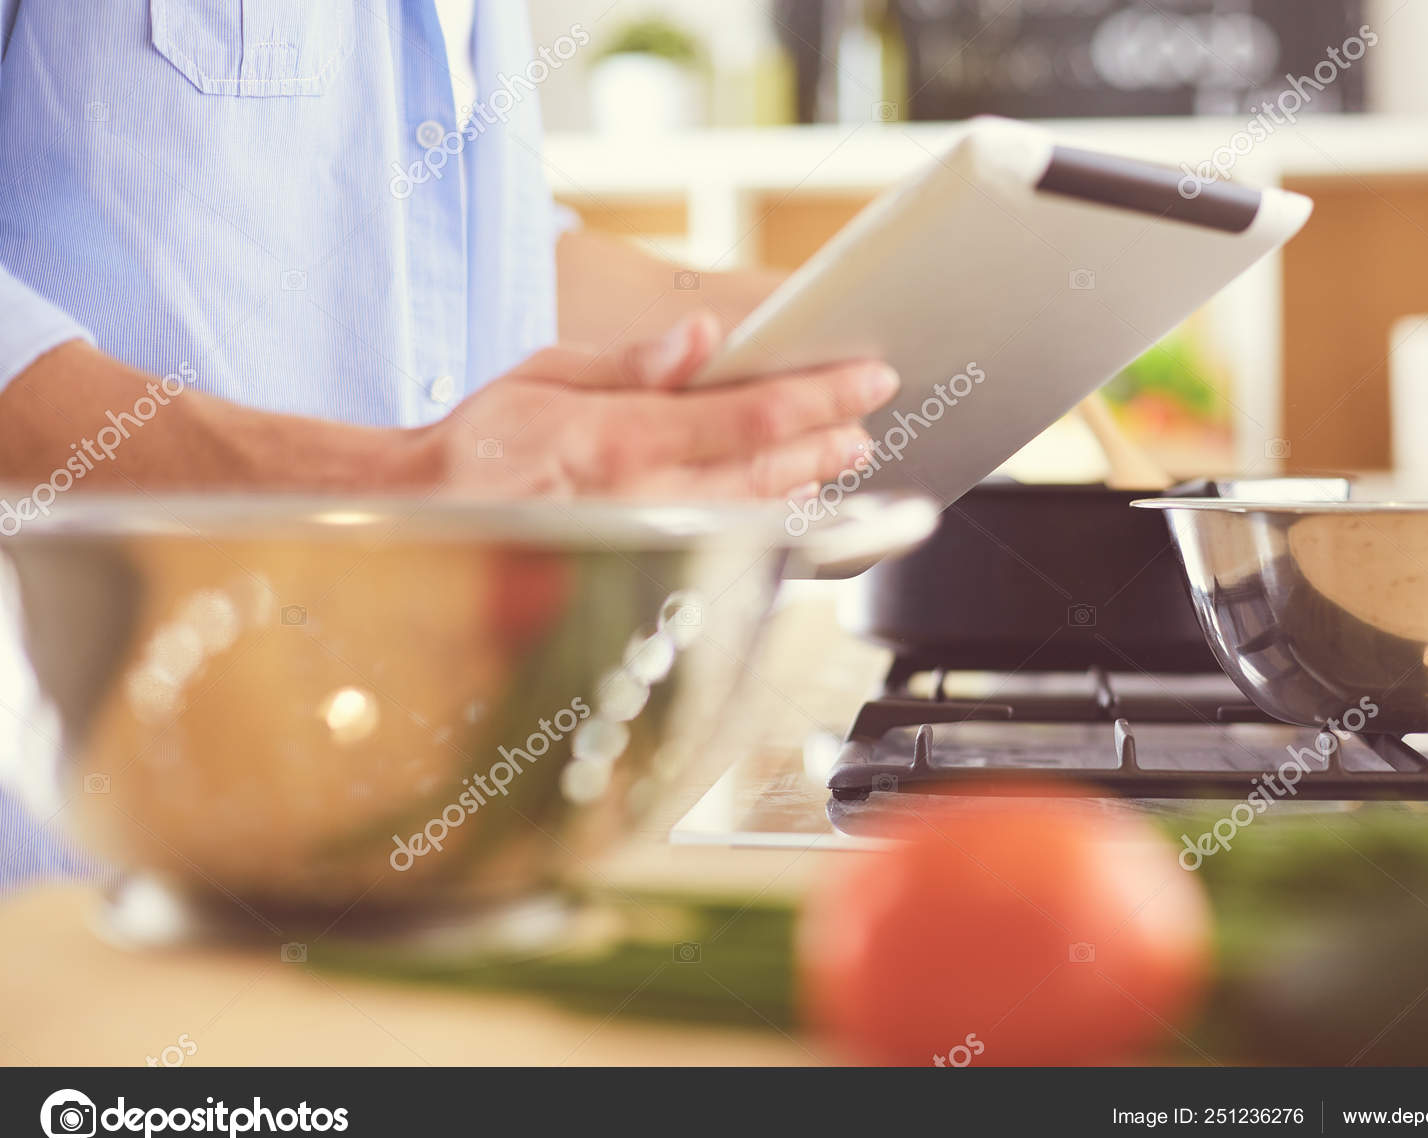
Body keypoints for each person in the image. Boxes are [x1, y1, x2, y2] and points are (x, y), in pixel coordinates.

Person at [0, 0, 895, 884]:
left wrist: (893, 315)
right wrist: (392, 483)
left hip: (401, 820)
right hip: (77, 861)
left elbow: (482, 264)